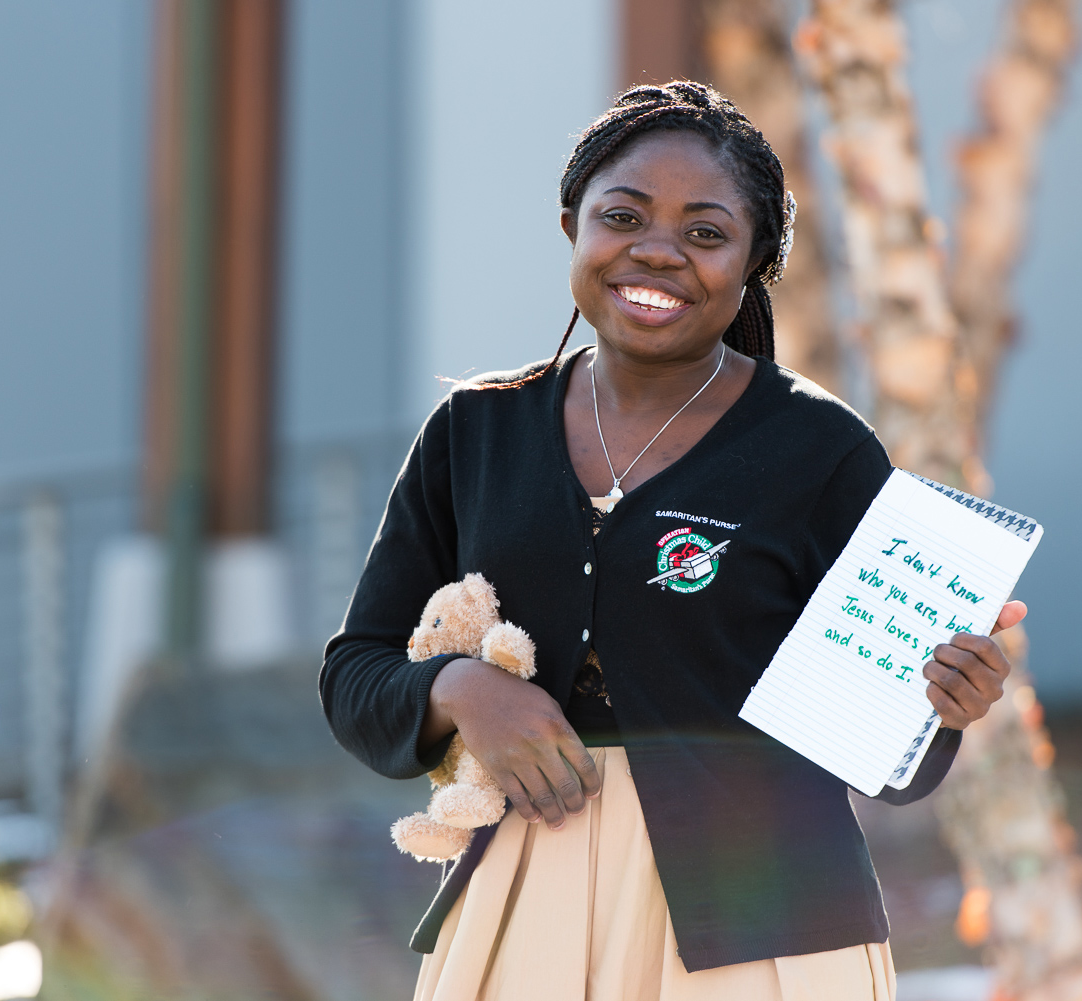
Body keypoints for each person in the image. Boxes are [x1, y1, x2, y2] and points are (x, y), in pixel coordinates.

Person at [320, 81, 1026, 1001]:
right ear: (571, 225)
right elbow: (357, 676)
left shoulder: (820, 451)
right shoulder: (474, 432)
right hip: (523, 901)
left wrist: (942, 702)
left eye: (705, 232)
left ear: (754, 260)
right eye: (623, 217)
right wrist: (461, 689)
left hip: (768, 926)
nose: (657, 250)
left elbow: (892, 767)